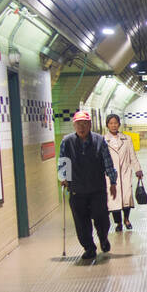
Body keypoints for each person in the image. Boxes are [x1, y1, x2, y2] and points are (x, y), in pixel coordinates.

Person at [59, 110, 117, 261]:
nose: (81, 127)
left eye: (84, 124)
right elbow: (63, 162)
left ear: (90, 124)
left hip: (97, 188)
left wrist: (113, 181)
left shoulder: (99, 140)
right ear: (74, 125)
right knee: (81, 222)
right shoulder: (67, 141)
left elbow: (108, 162)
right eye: (78, 124)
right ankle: (89, 247)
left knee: (102, 217)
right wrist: (63, 178)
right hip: (77, 190)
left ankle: (103, 237)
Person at [104, 113, 143, 231]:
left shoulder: (127, 139)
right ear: (107, 125)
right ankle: (118, 223)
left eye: (115, 123)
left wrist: (138, 169)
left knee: (127, 196)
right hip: (111, 175)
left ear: (119, 124)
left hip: (125, 172)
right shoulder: (103, 140)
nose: (113, 125)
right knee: (114, 199)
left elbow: (132, 155)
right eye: (111, 123)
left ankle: (126, 219)